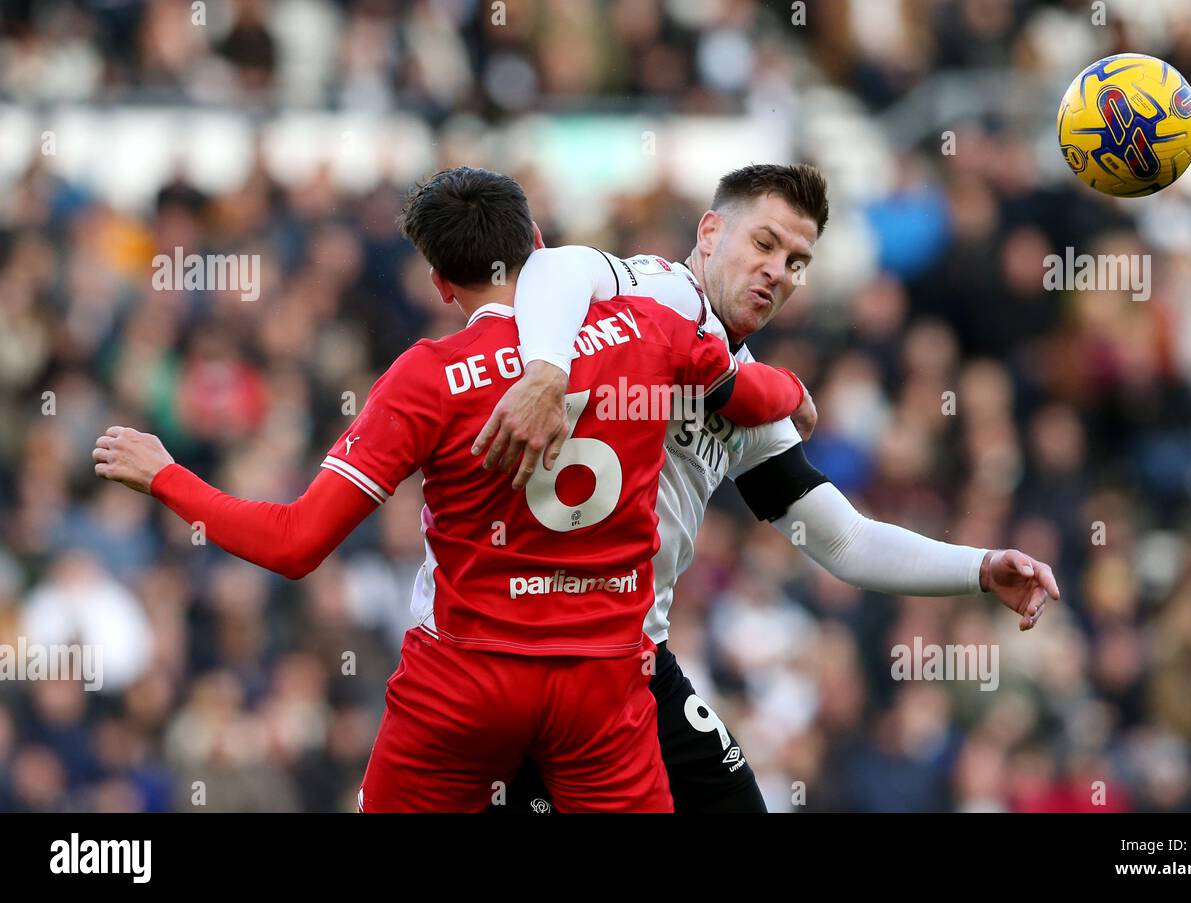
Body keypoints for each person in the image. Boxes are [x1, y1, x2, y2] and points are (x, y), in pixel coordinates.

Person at [91, 167, 810, 812]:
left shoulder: (427, 377)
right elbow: (743, 386)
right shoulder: (647, 328)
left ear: (439, 282)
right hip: (601, 682)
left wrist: (167, 477)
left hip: (464, 679)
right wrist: (795, 393)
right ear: (537, 243)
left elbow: (295, 542)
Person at [478, 163, 1061, 813]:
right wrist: (546, 373)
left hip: (631, 660)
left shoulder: (744, 391)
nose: (778, 271)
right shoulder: (655, 292)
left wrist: (979, 567)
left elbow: (844, 540)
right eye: (763, 244)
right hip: (526, 645)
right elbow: (555, 268)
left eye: (797, 261)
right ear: (709, 232)